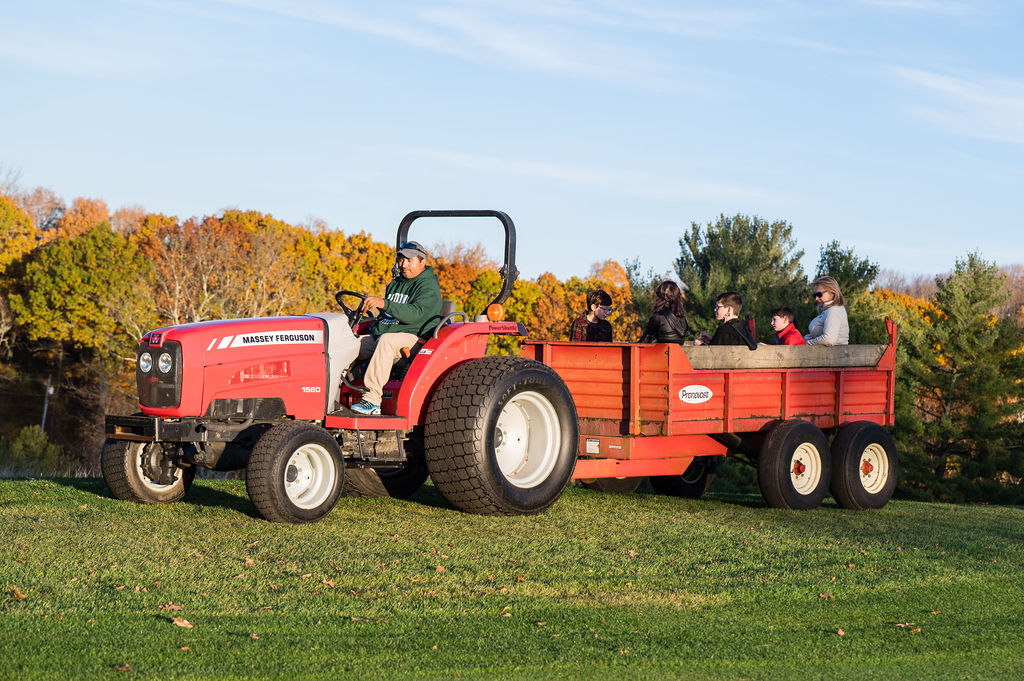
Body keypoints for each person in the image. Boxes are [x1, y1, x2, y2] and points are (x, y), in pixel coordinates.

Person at [349, 241, 442, 415]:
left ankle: (372, 401)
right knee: (348, 344)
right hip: (388, 332)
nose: (403, 264)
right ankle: (331, 390)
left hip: (415, 337)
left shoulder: (428, 287)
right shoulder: (396, 283)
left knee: (386, 342)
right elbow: (388, 315)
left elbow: (415, 314)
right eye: (401, 259)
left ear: (422, 262)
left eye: (409, 260)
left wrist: (384, 304)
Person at [804, 275, 849, 346]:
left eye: (819, 294)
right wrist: (807, 338)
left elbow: (829, 339)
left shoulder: (834, 311)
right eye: (815, 295)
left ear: (832, 292)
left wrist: (807, 343)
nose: (816, 298)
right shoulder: (828, 310)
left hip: (834, 356)